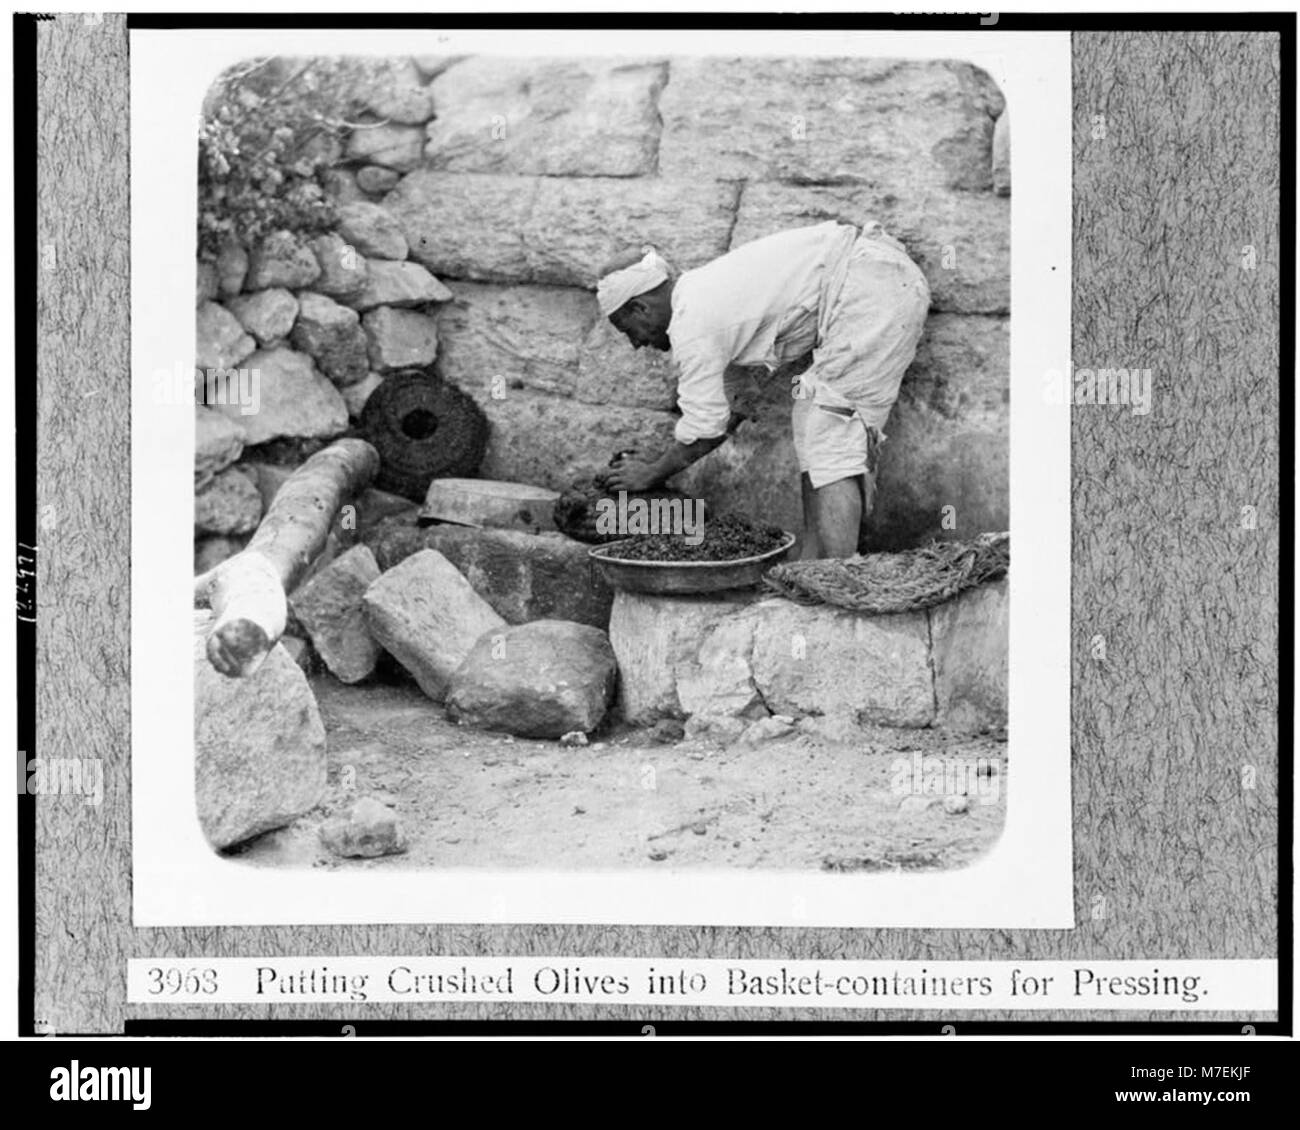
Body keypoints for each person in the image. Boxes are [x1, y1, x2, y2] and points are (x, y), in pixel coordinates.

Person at [600, 221, 930, 558]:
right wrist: (658, 464)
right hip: (872, 281)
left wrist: (651, 473)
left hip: (875, 286)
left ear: (641, 307)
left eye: (629, 331)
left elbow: (704, 428)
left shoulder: (692, 323)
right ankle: (811, 567)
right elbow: (731, 408)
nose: (636, 344)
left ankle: (838, 572)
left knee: (829, 430)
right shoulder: (701, 299)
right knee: (813, 422)